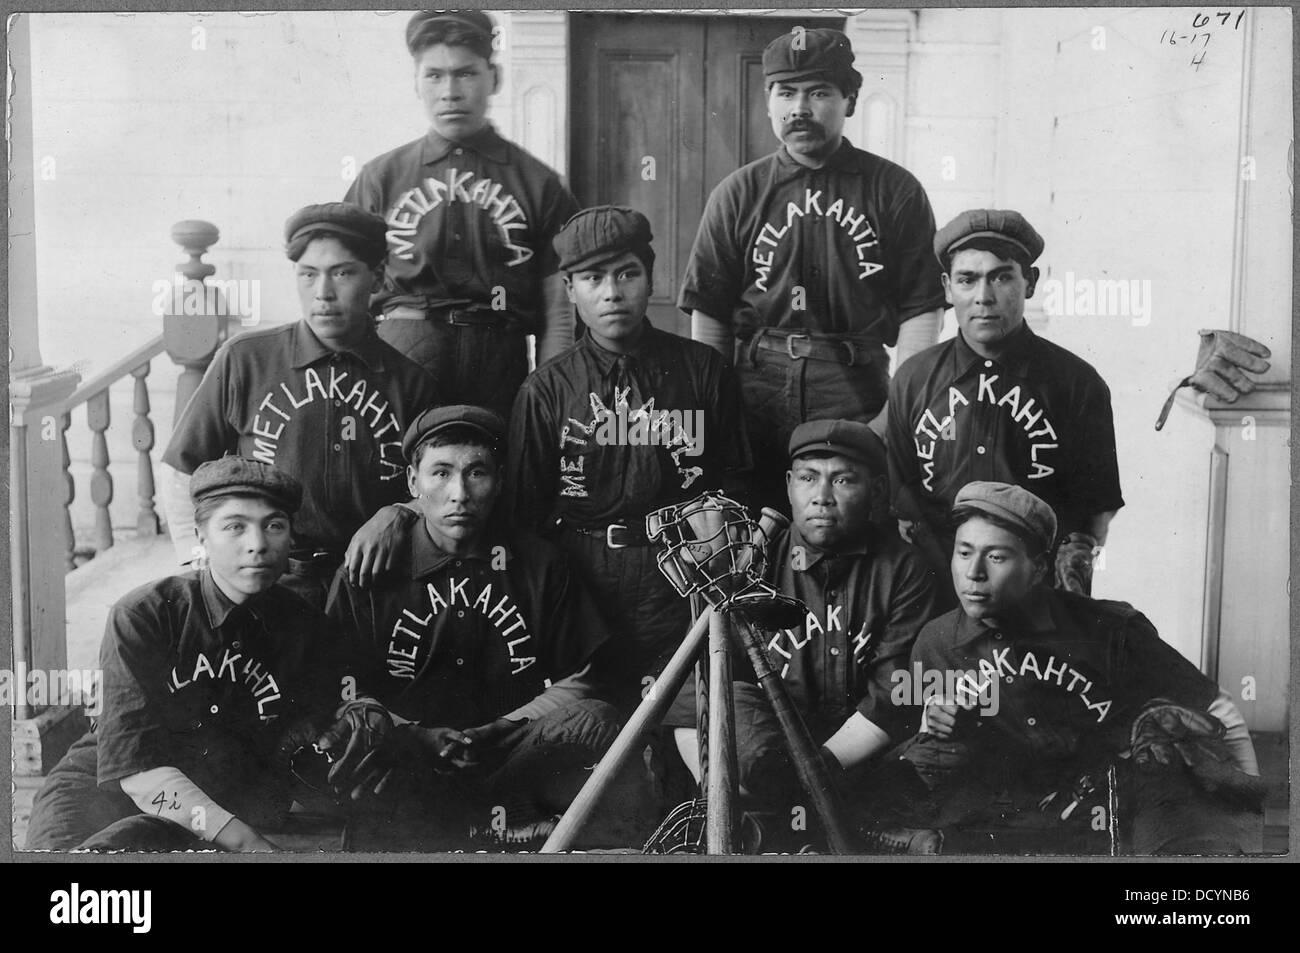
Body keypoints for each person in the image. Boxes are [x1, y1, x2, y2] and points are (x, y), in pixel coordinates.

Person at [864, 481, 1264, 855]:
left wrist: (1250, 811)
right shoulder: (937, 642)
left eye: (997, 556)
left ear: (1039, 568)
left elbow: (1217, 707)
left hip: (1117, 808)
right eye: (964, 552)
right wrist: (929, 719)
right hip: (1013, 817)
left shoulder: (1111, 631)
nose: (974, 573)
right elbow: (924, 737)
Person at [25, 458, 367, 851]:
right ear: (200, 536)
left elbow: (319, 733)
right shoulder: (144, 616)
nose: (257, 543)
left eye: (274, 525)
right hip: (106, 798)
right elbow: (137, 772)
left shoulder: (305, 626)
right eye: (234, 526)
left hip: (225, 808)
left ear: (291, 537)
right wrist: (249, 844)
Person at [324, 405, 623, 849]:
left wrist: (499, 729)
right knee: (357, 736)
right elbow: (339, 685)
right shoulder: (371, 565)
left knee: (597, 721)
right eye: (440, 473)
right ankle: (461, 830)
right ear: (413, 483)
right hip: (408, 758)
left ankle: (489, 824)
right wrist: (415, 735)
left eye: (476, 473)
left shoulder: (541, 564)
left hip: (513, 754)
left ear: (499, 480)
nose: (459, 493)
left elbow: (578, 681)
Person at [679, 27, 946, 511]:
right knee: (754, 528)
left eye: (819, 91)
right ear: (768, 102)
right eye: (786, 92)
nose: (799, 108)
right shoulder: (738, 193)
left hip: (856, 386)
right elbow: (710, 315)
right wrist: (720, 412)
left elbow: (921, 310)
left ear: (850, 99)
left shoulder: (894, 190)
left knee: (845, 530)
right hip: (756, 384)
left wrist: (892, 416)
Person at [508, 205, 751, 715]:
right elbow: (525, 515)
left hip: (681, 571)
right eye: (592, 278)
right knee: (595, 721)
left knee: (683, 717)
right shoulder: (547, 390)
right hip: (582, 578)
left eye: (626, 273)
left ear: (650, 276)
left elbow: (736, 480)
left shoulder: (703, 371)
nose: (611, 292)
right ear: (570, 289)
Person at [672, 420, 941, 847]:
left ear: (875, 488)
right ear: (788, 485)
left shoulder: (905, 569)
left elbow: (895, 695)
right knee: (743, 733)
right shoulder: (747, 562)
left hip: (856, 760)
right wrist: (718, 784)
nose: (822, 497)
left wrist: (820, 771)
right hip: (764, 764)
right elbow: (695, 698)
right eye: (808, 478)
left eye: (844, 480)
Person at [161, 203, 442, 609]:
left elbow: (439, 489)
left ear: (377, 277)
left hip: (371, 584)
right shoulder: (247, 359)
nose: (323, 293)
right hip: (267, 583)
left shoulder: (411, 383)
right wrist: (199, 559)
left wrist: (401, 510)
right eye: (308, 274)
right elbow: (181, 467)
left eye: (342, 273)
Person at [345, 10, 580, 418]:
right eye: (434, 75)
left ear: (495, 78)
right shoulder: (382, 176)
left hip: (497, 354)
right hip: (402, 346)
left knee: (489, 473)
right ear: (416, 83)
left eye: (466, 74)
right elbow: (347, 284)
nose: (450, 91)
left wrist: (547, 393)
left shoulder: (538, 182)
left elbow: (558, 308)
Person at [887, 209, 1124, 597]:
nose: (983, 297)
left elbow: (1096, 509)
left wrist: (1066, 596)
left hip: (1035, 591)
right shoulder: (914, 379)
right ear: (947, 288)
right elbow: (903, 504)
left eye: (1001, 276)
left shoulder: (1076, 383)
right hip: (935, 587)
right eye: (968, 279)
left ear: (1029, 282)